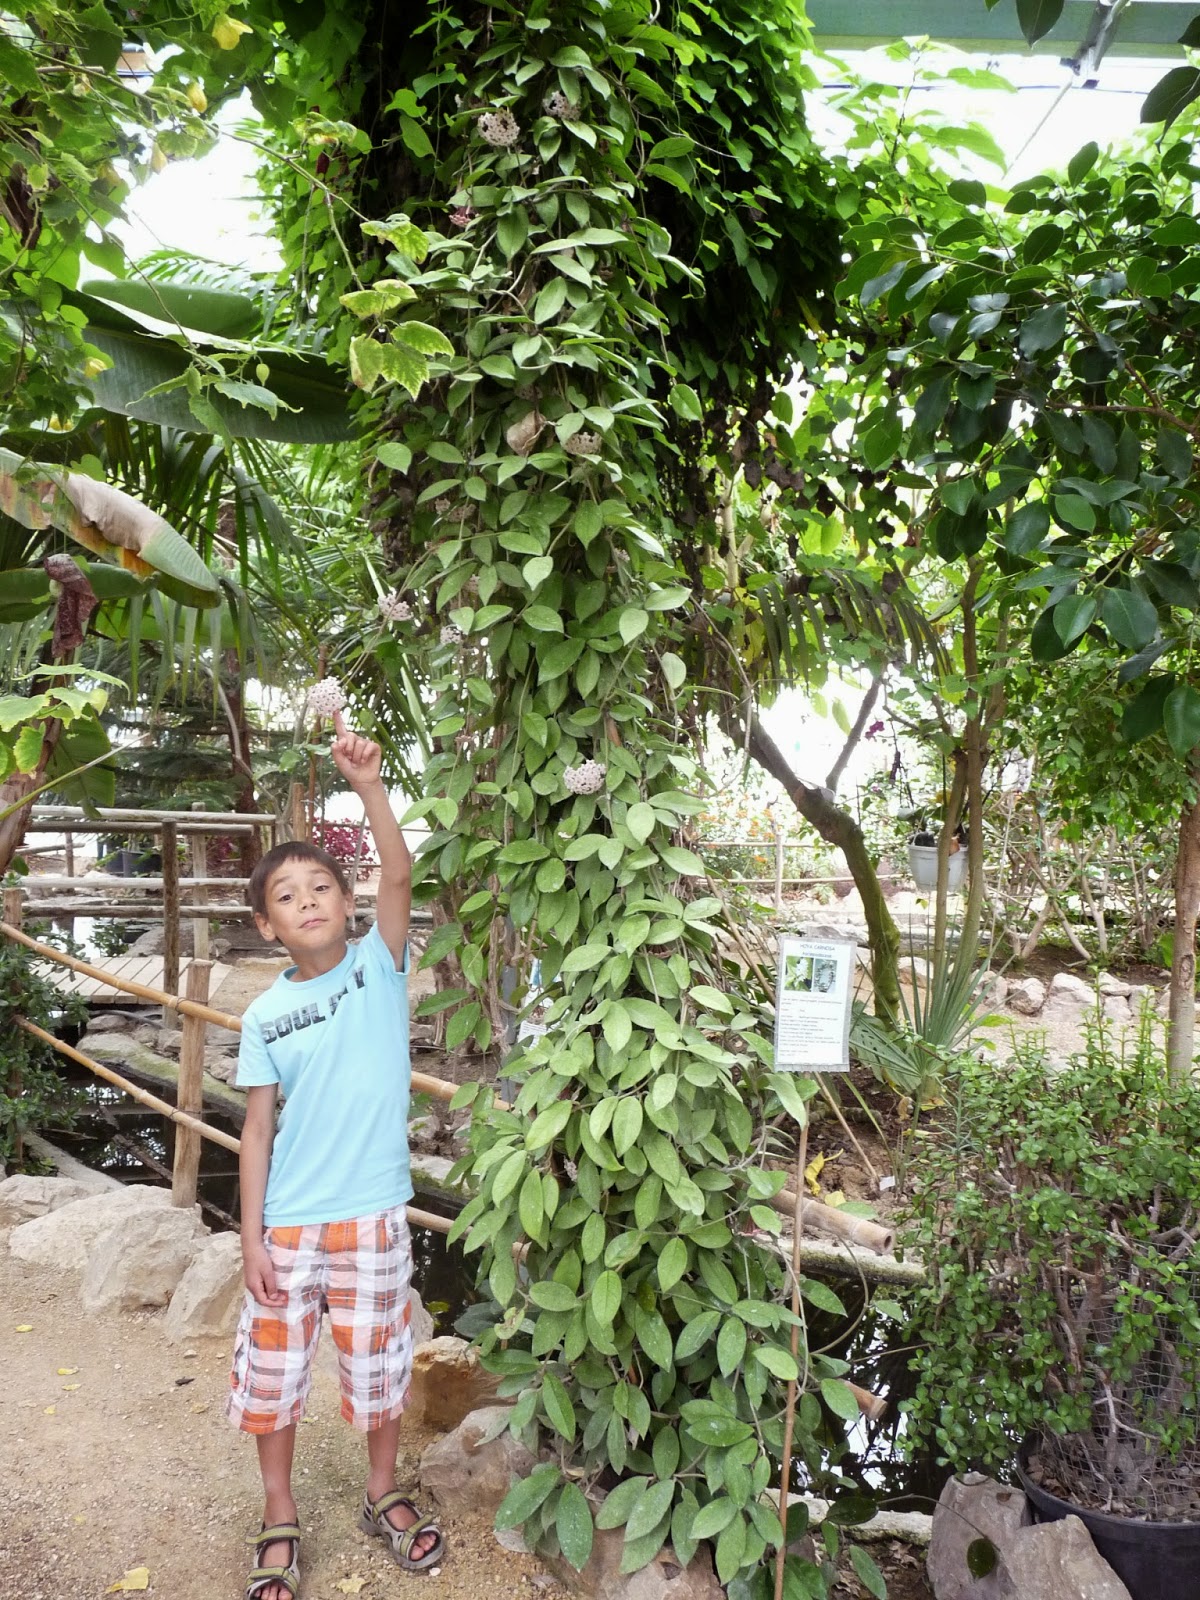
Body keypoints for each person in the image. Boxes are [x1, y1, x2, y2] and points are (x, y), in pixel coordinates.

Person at [227, 710, 443, 1600]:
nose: (309, 899)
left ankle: (381, 1490)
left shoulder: (376, 970)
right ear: (268, 926)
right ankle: (279, 1510)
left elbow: (401, 869)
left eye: (321, 886)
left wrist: (367, 784)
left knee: (379, 1364)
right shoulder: (263, 1014)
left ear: (345, 905)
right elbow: (255, 1131)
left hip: (374, 1216)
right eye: (288, 895)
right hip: (289, 1224)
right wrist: (250, 1239)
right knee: (274, 1376)